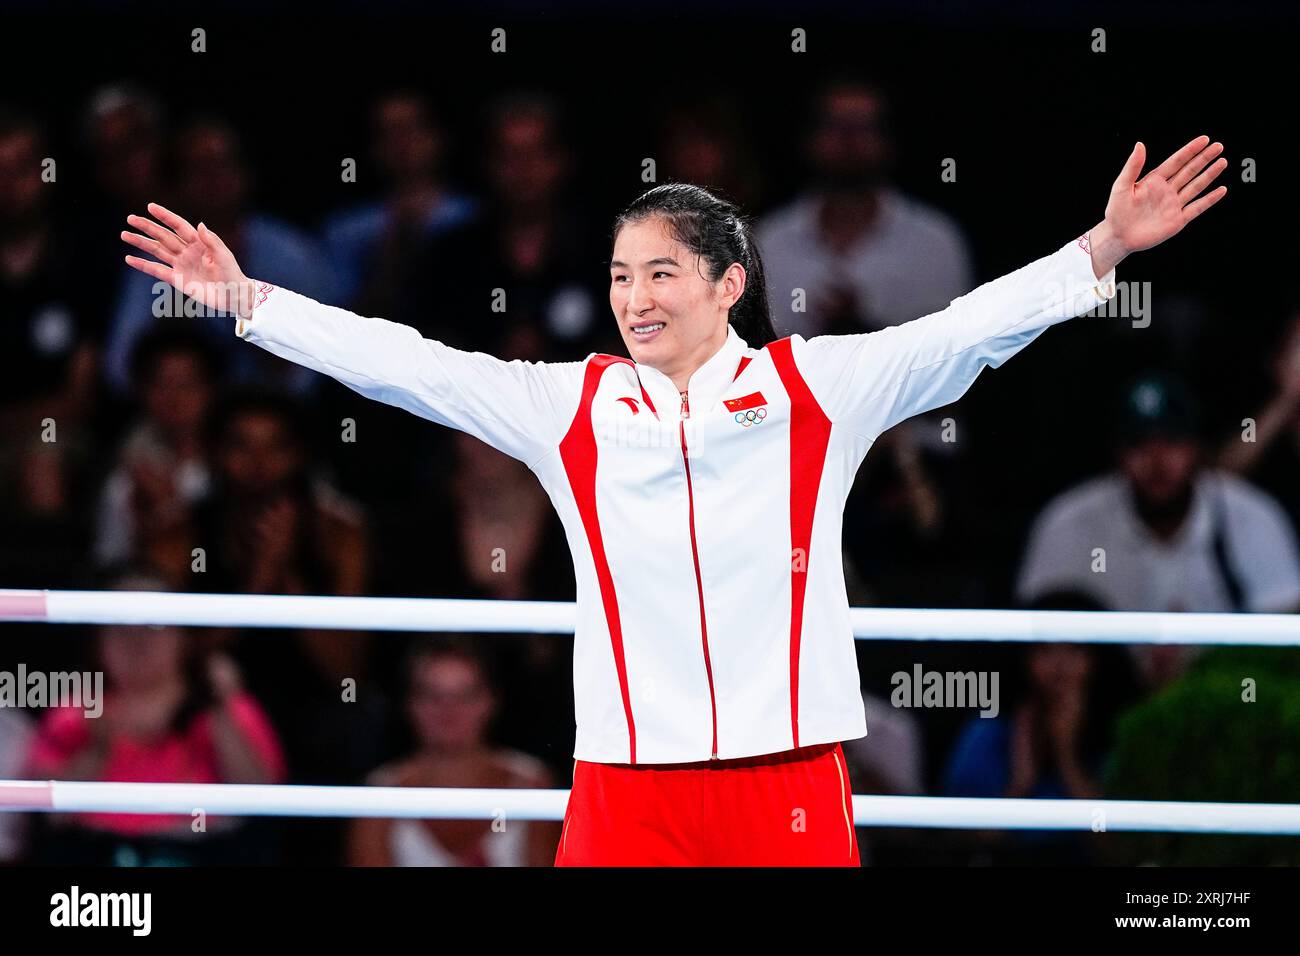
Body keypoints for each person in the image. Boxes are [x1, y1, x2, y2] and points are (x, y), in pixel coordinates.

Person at [120, 134, 1226, 866]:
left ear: (728, 282)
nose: (633, 297)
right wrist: (249, 302)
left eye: (658, 272)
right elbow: (403, 363)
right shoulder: (574, 404)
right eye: (617, 275)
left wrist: (1102, 249)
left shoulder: (816, 387)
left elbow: (967, 331)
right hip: (625, 785)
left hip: (784, 778)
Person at [1017, 371, 1300, 688]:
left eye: (1172, 441)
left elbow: (1284, 650)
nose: (1157, 461)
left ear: (1197, 447)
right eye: (1138, 443)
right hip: (1102, 713)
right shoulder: (1068, 523)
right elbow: (1037, 654)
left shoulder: (1253, 518)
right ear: (1116, 451)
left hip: (1223, 701)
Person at [348, 639, 559, 867]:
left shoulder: (532, 783)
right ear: (410, 703)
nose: (448, 710)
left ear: (490, 701)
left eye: (465, 695)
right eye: (432, 694)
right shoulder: (380, 793)